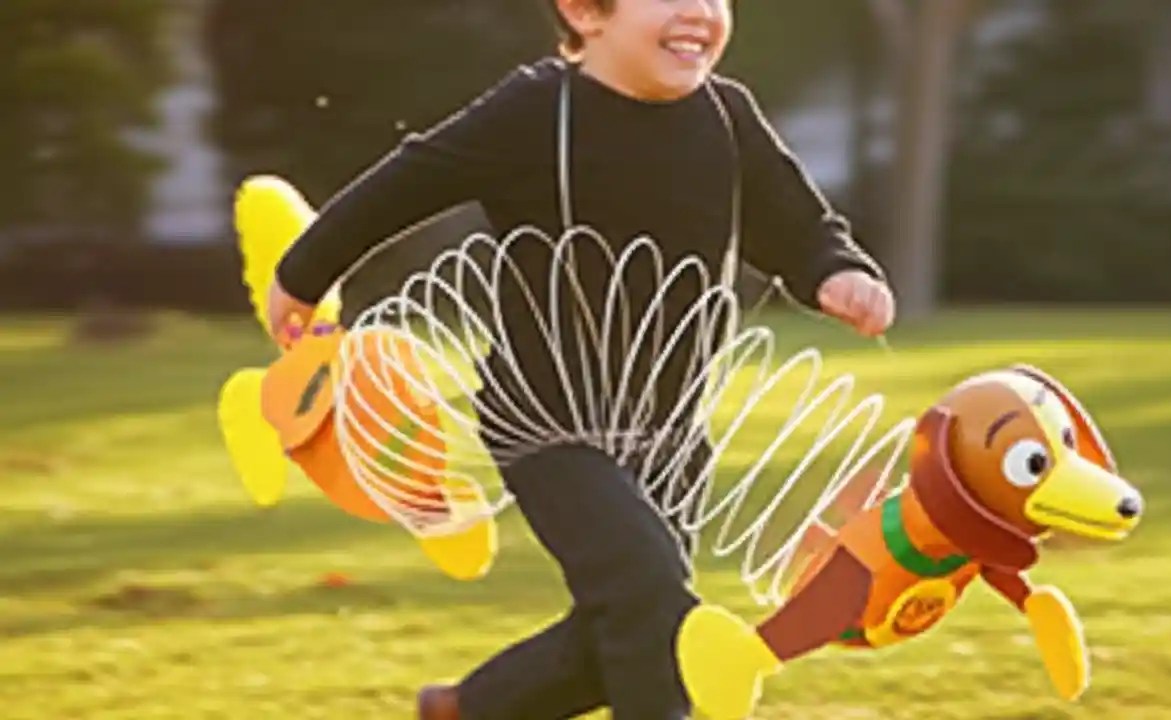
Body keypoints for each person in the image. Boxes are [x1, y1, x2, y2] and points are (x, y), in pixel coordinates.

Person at [265, 1, 896, 717]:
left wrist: (837, 271)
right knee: (649, 596)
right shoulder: (538, 112)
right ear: (585, 11)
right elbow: (406, 183)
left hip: (669, 429)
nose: (699, 11)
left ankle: (468, 709)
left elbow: (795, 224)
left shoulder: (727, 118)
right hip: (547, 423)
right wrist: (303, 273)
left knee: (633, 621)